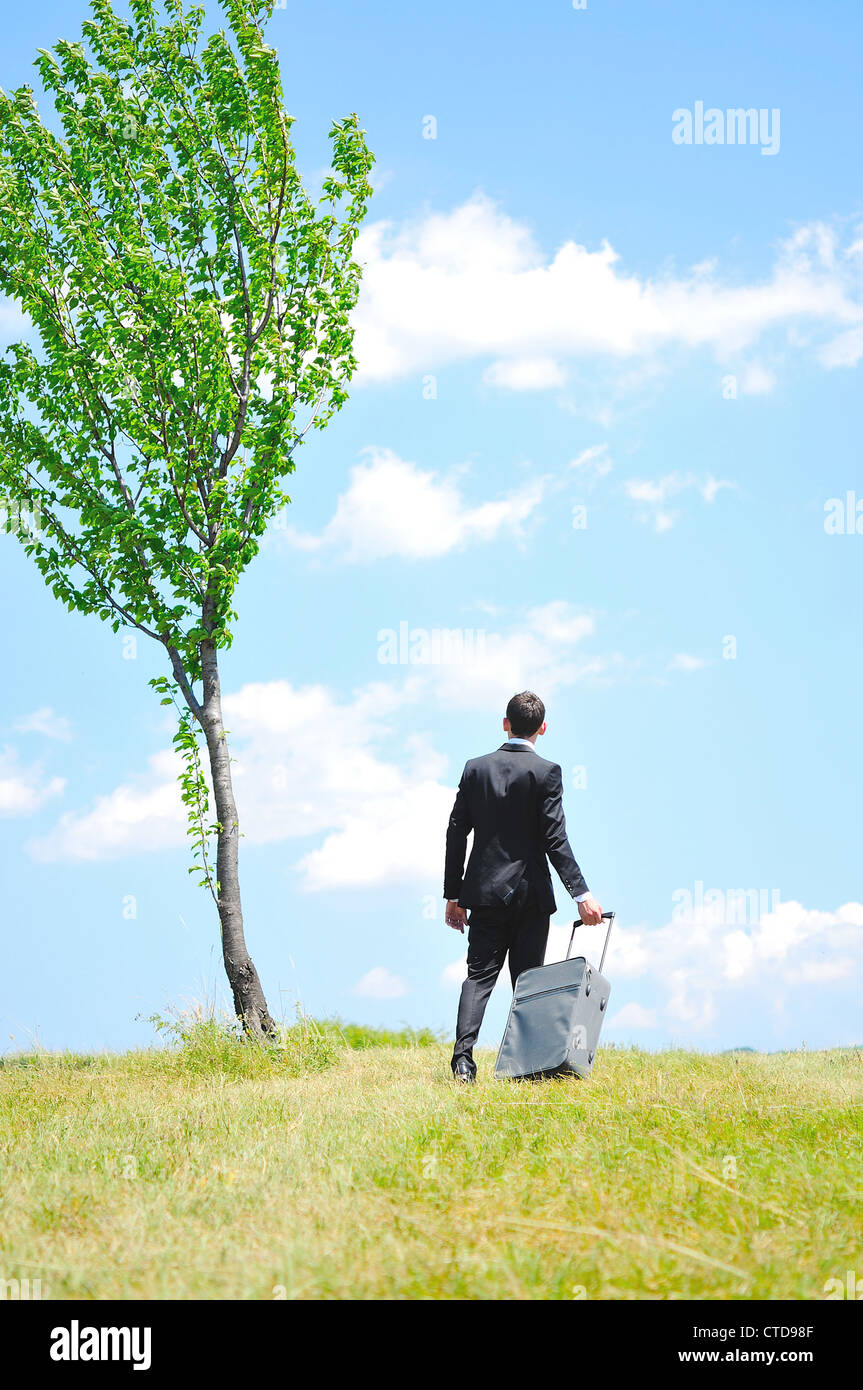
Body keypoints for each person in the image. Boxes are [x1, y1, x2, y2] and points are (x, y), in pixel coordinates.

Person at [444, 690, 603, 1082]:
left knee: (478, 976)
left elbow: (455, 832)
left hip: (482, 893)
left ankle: (463, 1061)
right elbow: (555, 839)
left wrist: (453, 894)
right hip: (531, 895)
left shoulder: (474, 768)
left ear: (505, 723)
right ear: (542, 729)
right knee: (529, 980)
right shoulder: (547, 772)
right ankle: (528, 1066)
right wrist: (581, 895)